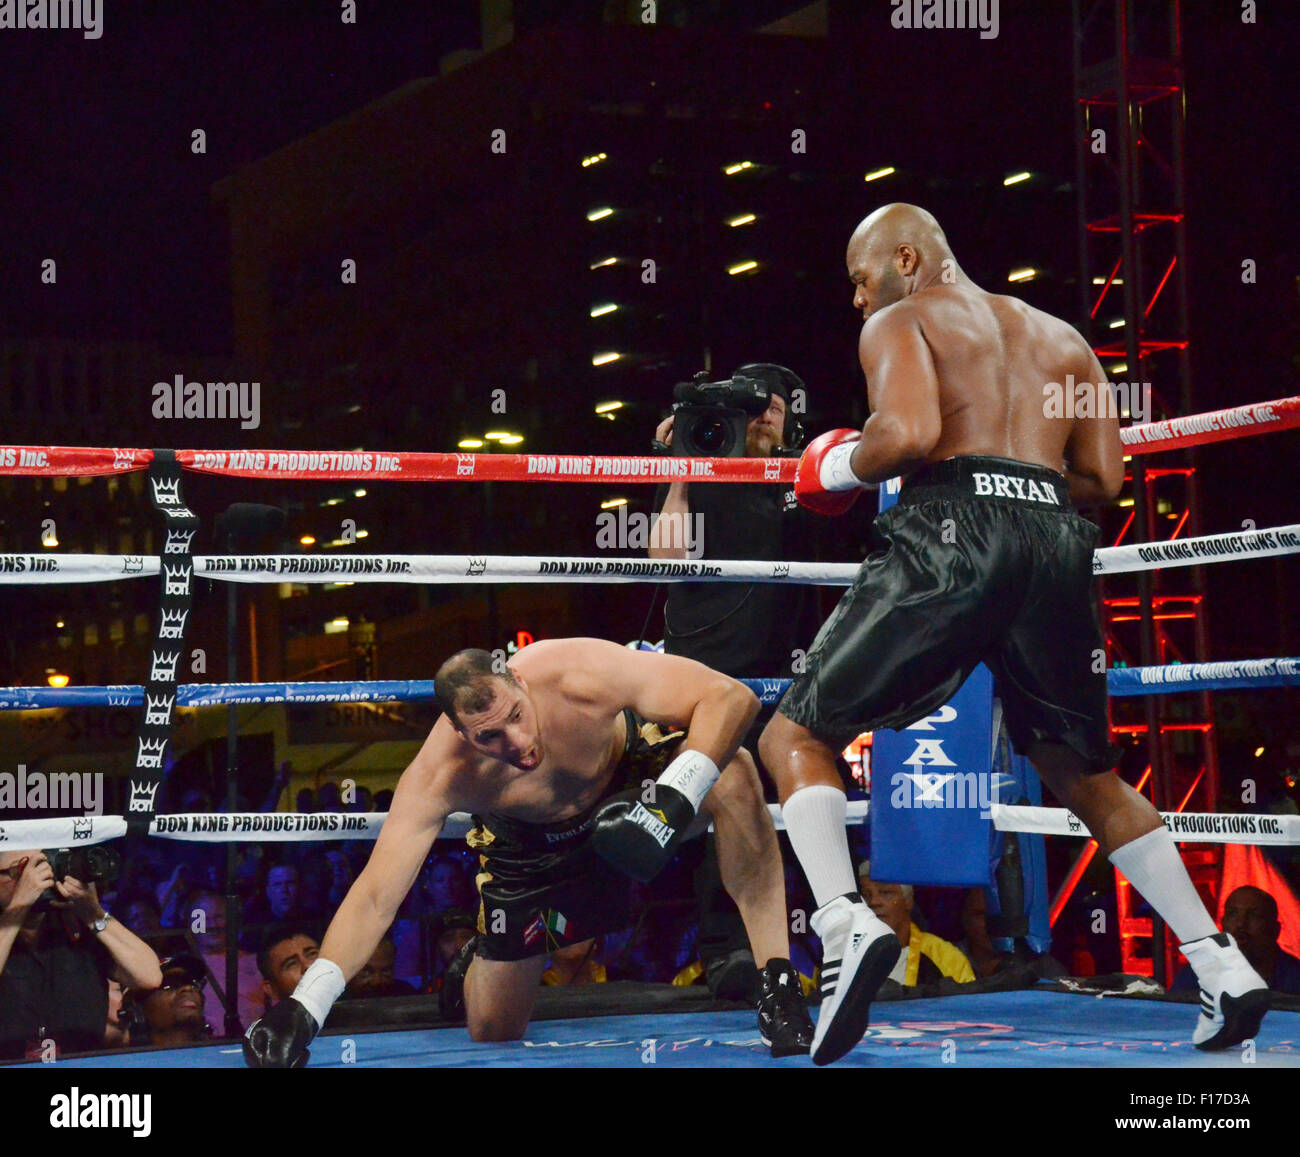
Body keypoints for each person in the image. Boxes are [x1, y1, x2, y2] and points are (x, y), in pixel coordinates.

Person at [758, 202, 1270, 1064]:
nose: (856, 301)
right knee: (1085, 771)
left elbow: (910, 434)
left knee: (795, 731)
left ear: (908, 259)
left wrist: (833, 464)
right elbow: (1104, 478)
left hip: (951, 530)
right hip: (1054, 543)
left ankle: (845, 927)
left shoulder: (903, 318)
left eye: (859, 278)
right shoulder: (1064, 338)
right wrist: (1018, 496)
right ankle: (1220, 964)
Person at [244, 638, 814, 1066]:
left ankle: (778, 984)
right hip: (529, 846)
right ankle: (477, 961)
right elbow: (374, 895)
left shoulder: (576, 672)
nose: (516, 745)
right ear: (461, 734)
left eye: (515, 716)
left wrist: (672, 797)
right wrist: (306, 1007)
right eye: (489, 737)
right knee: (495, 1030)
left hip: (632, 783)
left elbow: (730, 696)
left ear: (519, 681)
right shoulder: (441, 774)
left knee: (734, 773)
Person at [652, 364, 826, 1000]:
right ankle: (731, 955)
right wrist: (679, 466)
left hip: (790, 679)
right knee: (723, 810)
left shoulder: (801, 476)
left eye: (773, 406)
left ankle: (818, 942)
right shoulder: (701, 467)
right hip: (708, 681)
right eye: (750, 407)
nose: (762, 417)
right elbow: (663, 560)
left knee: (806, 807)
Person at [0, 849, 162, 1060]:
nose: (36, 880)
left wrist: (93, 913)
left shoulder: (79, 927)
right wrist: (17, 909)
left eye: (41, 866)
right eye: (19, 871)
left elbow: (149, 976)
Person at [1168, 886, 1300, 996]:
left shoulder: (1294, 976)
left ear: (1275, 929)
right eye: (1233, 914)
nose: (1241, 924)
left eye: (1254, 915)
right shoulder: (1198, 974)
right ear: (1223, 924)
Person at [858, 862, 974, 986]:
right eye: (865, 895)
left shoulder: (943, 956)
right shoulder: (846, 956)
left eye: (886, 893)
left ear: (908, 900)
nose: (874, 902)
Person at [121, 952, 211, 1047]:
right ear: (137, 1009)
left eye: (193, 984)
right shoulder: (121, 1061)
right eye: (171, 984)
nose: (188, 988)